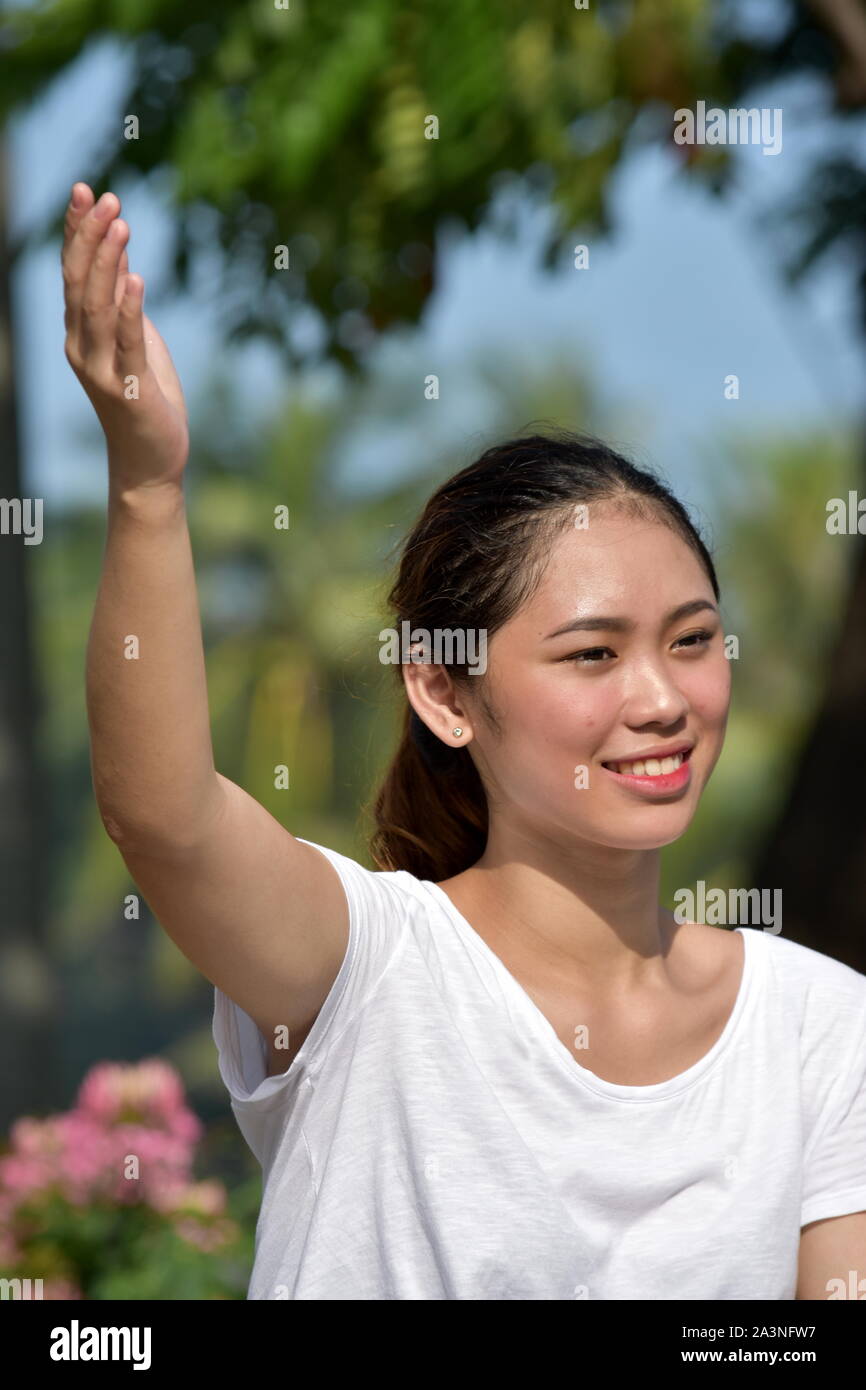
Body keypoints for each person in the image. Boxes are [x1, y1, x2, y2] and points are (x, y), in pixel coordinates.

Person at [63, 181, 866, 1301]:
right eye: (591, 654)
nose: (661, 698)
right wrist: (147, 485)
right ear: (444, 692)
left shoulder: (818, 1024)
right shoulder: (363, 969)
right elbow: (161, 814)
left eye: (691, 640)